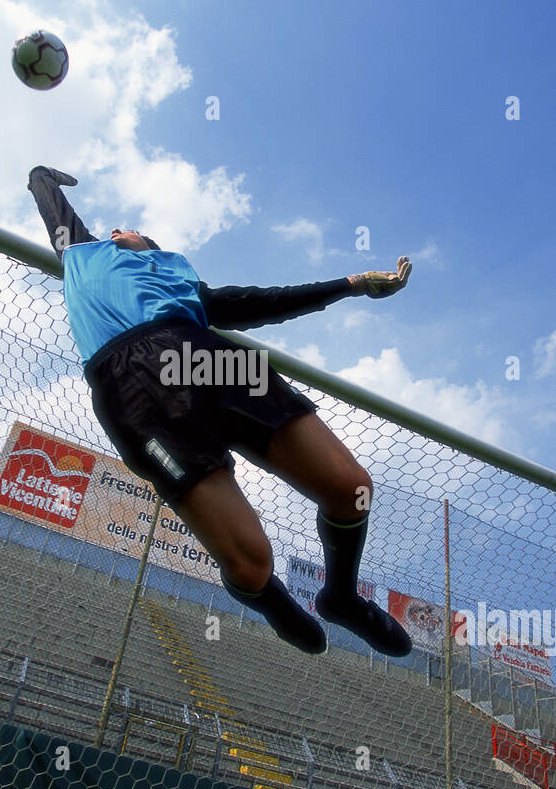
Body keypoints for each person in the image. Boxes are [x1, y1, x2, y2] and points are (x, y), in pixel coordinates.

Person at [28, 165, 413, 657]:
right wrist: (42, 175)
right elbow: (52, 206)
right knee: (252, 563)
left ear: (149, 240)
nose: (113, 231)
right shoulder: (81, 254)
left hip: (208, 357)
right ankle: (272, 601)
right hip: (131, 384)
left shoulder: (183, 279)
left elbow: (267, 301)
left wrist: (352, 283)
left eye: (126, 228)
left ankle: (340, 595)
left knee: (351, 489)